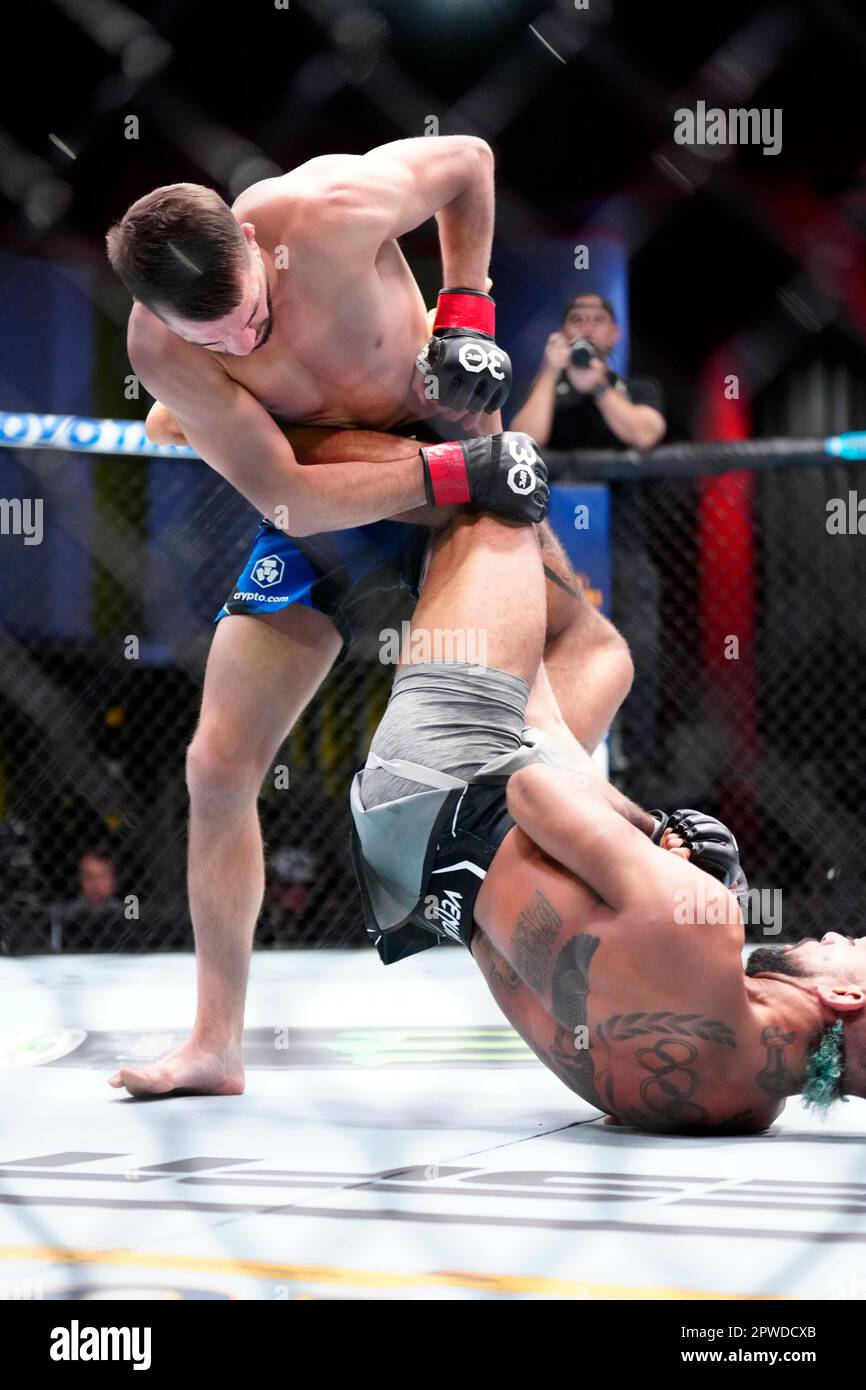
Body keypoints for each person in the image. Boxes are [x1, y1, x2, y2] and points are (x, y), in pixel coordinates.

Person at [104, 138, 633, 1096]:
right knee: (216, 769)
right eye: (213, 338)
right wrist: (451, 470)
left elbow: (472, 158)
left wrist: (467, 311)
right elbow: (288, 498)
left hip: (444, 480)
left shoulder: (332, 207)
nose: (241, 345)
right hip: (332, 505)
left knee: (556, 691)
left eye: (250, 316)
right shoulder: (161, 345)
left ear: (260, 246)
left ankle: (536, 855)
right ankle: (215, 1046)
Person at [351, 507, 856, 1134]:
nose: (836, 937)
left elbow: (533, 792)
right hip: (428, 887)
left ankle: (337, 477)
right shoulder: (743, 1107)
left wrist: (648, 833)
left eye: (856, 950)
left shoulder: (704, 925)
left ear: (845, 996)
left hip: (443, 778)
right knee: (602, 653)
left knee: (498, 495)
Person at [511, 292, 667, 794]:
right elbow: (523, 440)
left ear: (614, 335)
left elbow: (645, 433)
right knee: (549, 649)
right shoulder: (548, 391)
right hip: (553, 551)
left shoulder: (636, 388)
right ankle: (551, 758)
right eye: (576, 318)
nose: (587, 327)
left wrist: (597, 386)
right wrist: (549, 373)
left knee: (636, 649)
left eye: (597, 320)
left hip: (621, 546)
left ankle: (636, 769)